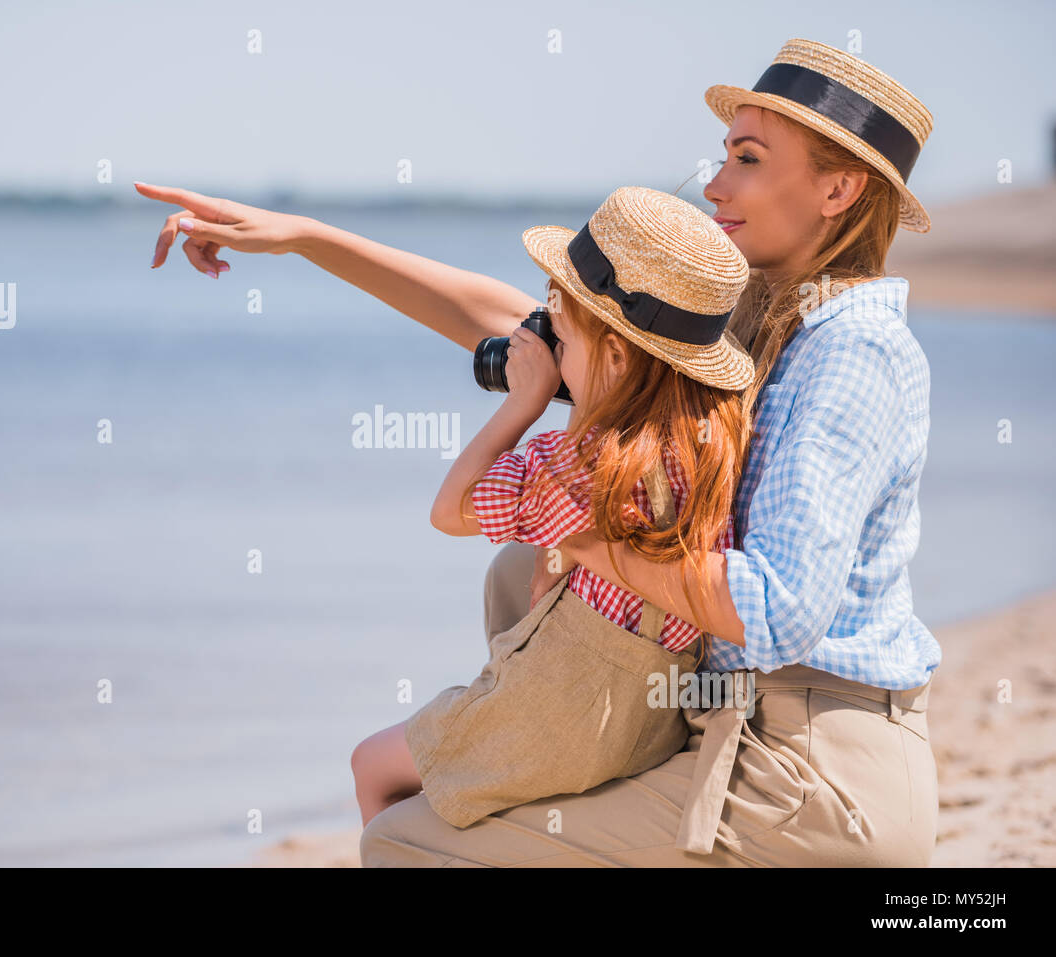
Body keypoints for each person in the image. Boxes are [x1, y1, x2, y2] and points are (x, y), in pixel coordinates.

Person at [136, 36, 942, 867]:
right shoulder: (751, 324)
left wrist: (581, 531)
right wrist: (308, 239)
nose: (714, 183)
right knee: (514, 572)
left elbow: (778, 613)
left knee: (404, 842)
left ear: (839, 188)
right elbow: (545, 325)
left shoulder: (854, 353)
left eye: (746, 158)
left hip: (809, 775)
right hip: (725, 722)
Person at [349, 187, 752, 828]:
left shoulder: (573, 465)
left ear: (617, 355)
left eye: (560, 341)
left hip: (554, 719)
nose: (554, 359)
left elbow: (449, 512)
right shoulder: (710, 445)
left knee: (371, 763)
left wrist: (523, 404)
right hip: (643, 727)